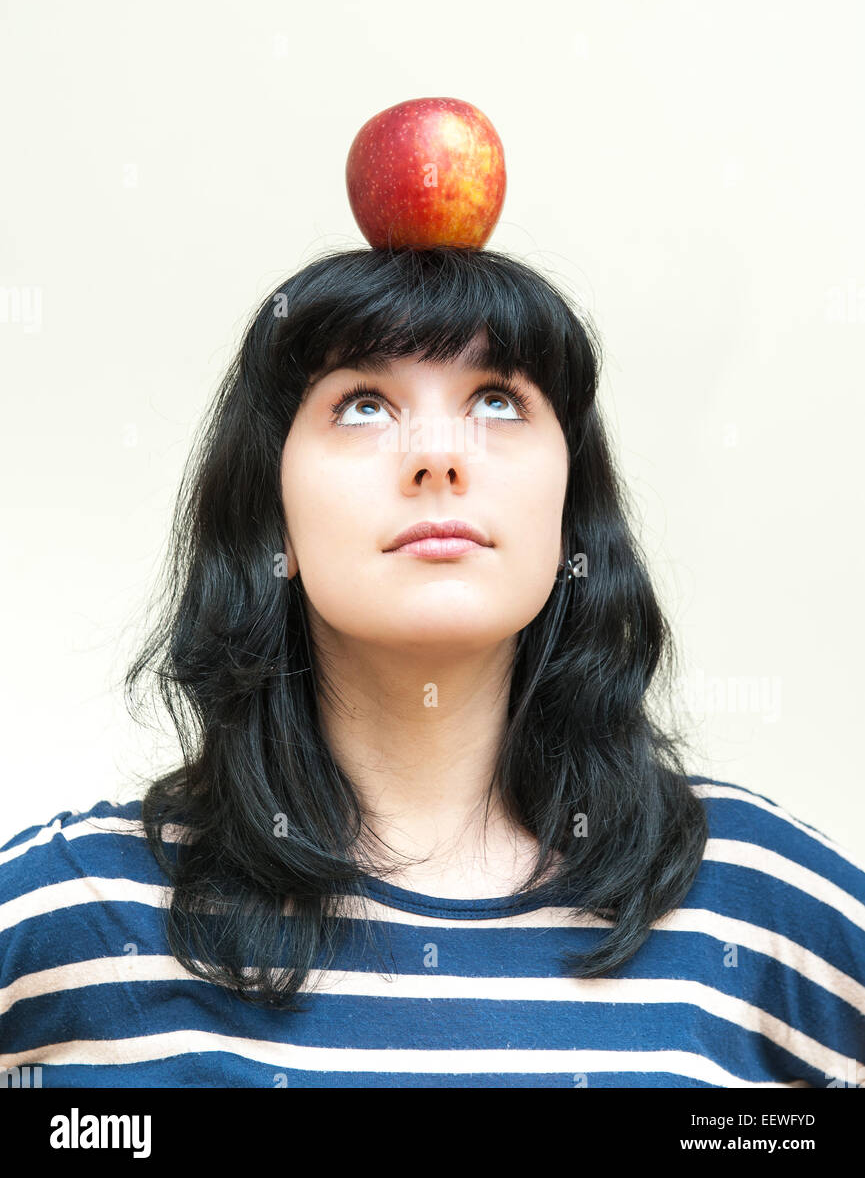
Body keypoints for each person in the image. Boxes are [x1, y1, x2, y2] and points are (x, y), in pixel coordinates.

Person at [1, 246, 863, 1088]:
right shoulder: (76, 911)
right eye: (364, 405)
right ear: (274, 521)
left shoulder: (756, 898)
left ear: (570, 512)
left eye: (495, 400)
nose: (437, 456)